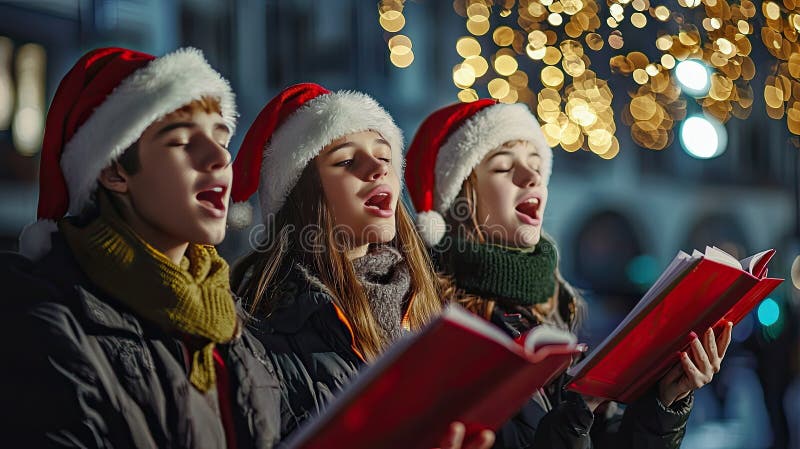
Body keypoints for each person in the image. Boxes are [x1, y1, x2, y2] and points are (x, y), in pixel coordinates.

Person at [404, 98, 733, 449]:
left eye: (536, 164)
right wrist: (577, 413)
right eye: (504, 167)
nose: (532, 176)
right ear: (460, 199)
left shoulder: (553, 306)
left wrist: (664, 402)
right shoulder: (431, 318)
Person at [1, 47, 281, 448]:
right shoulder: (43, 328)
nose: (220, 157)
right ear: (114, 170)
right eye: (182, 141)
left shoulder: (233, 326)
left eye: (222, 138)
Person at [230, 82, 495, 449]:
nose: (377, 168)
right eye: (346, 162)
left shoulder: (432, 307)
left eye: (385, 156)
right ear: (303, 196)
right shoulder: (262, 336)